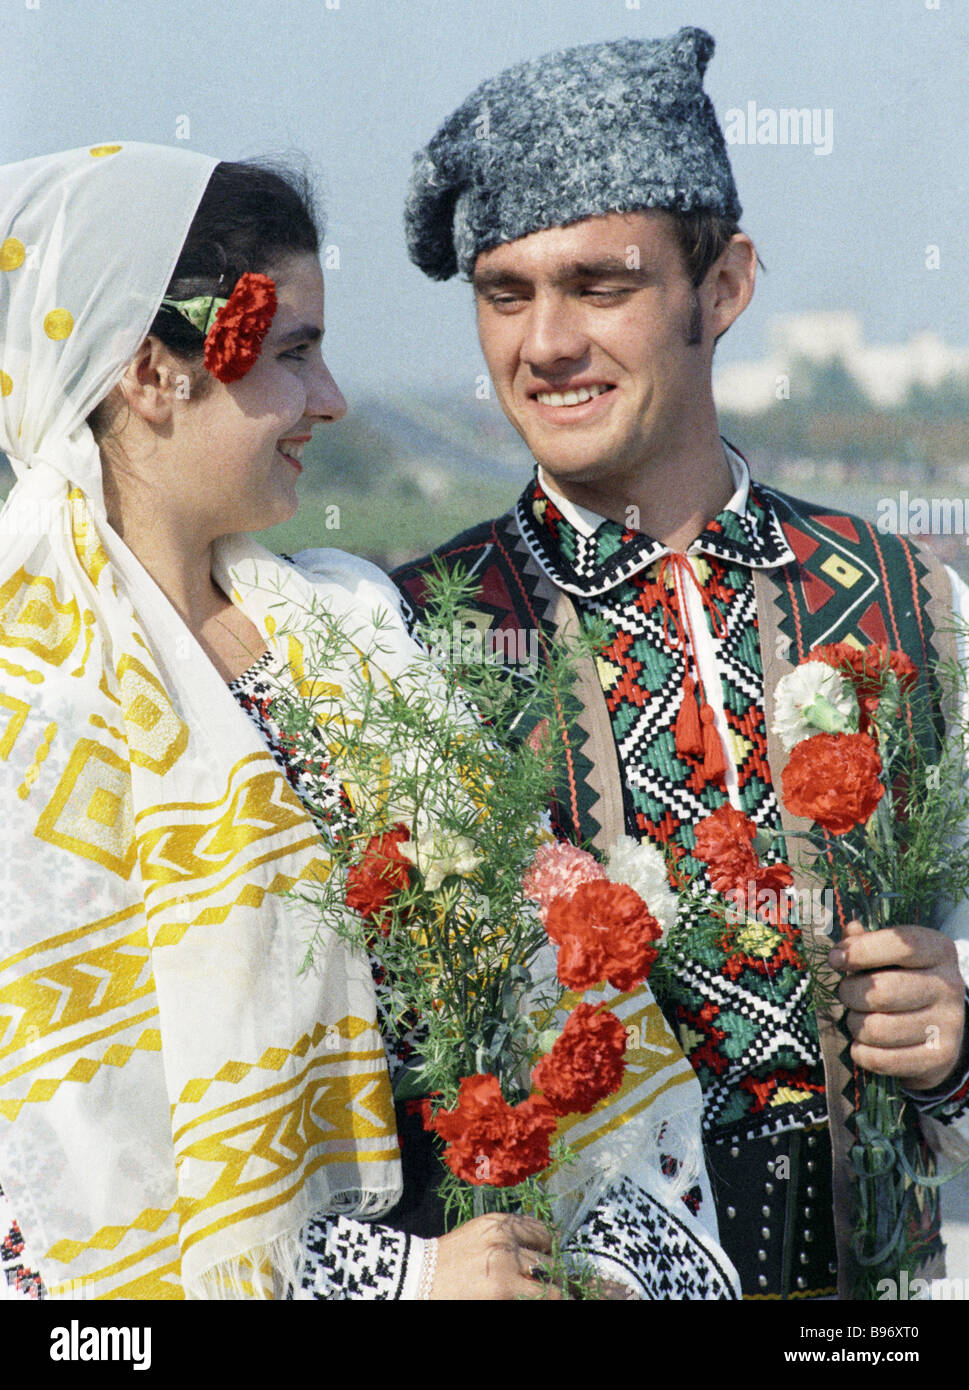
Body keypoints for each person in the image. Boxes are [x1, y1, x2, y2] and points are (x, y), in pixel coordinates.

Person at [0, 141, 737, 1300]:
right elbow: (67, 1185)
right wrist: (403, 1283)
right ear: (151, 373)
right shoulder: (39, 706)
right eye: (294, 356)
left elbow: (536, 957)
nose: (331, 400)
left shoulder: (347, 626)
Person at [392, 28, 969, 1299]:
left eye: (602, 286)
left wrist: (957, 1037)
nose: (544, 341)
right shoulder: (410, 641)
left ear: (725, 286)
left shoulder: (911, 601)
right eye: (504, 290)